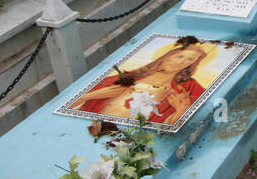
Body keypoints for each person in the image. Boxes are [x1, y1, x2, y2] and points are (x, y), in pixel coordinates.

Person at [69, 43, 210, 124]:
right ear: (166, 57)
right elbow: (70, 107)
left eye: (190, 60)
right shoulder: (126, 78)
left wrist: (180, 111)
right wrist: (93, 95)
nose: (182, 62)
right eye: (180, 56)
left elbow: (203, 117)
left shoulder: (185, 90)